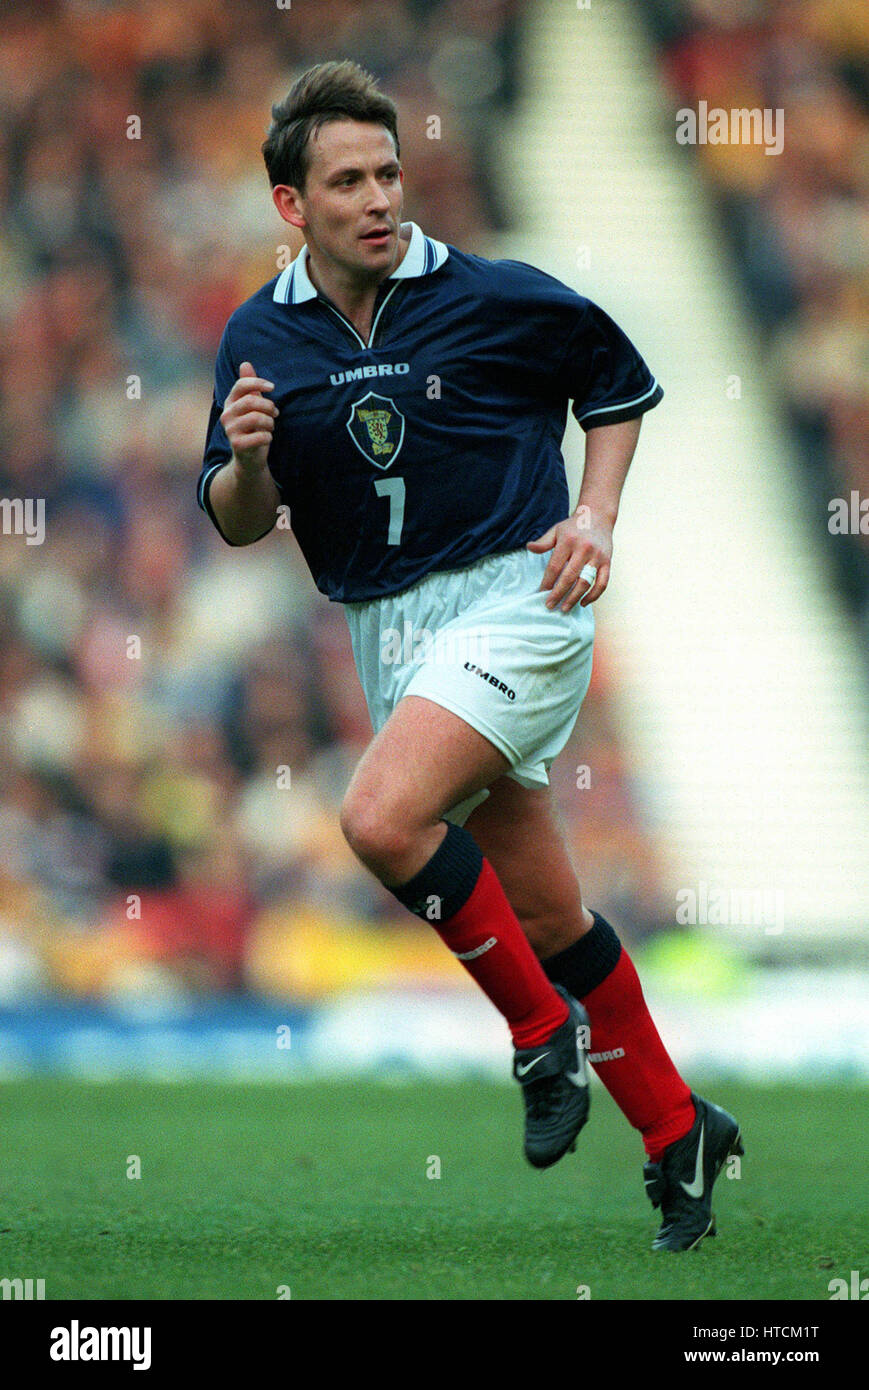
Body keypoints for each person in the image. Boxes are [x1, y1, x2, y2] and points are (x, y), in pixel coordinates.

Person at [198, 60, 742, 1251]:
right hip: (387, 635)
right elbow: (242, 519)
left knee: (381, 820)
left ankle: (539, 1039)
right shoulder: (259, 334)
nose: (379, 197)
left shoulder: (492, 295)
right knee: (548, 915)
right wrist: (245, 462)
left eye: (388, 171)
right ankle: (674, 1129)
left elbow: (619, 385)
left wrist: (594, 515)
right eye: (346, 180)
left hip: (517, 598)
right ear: (293, 206)